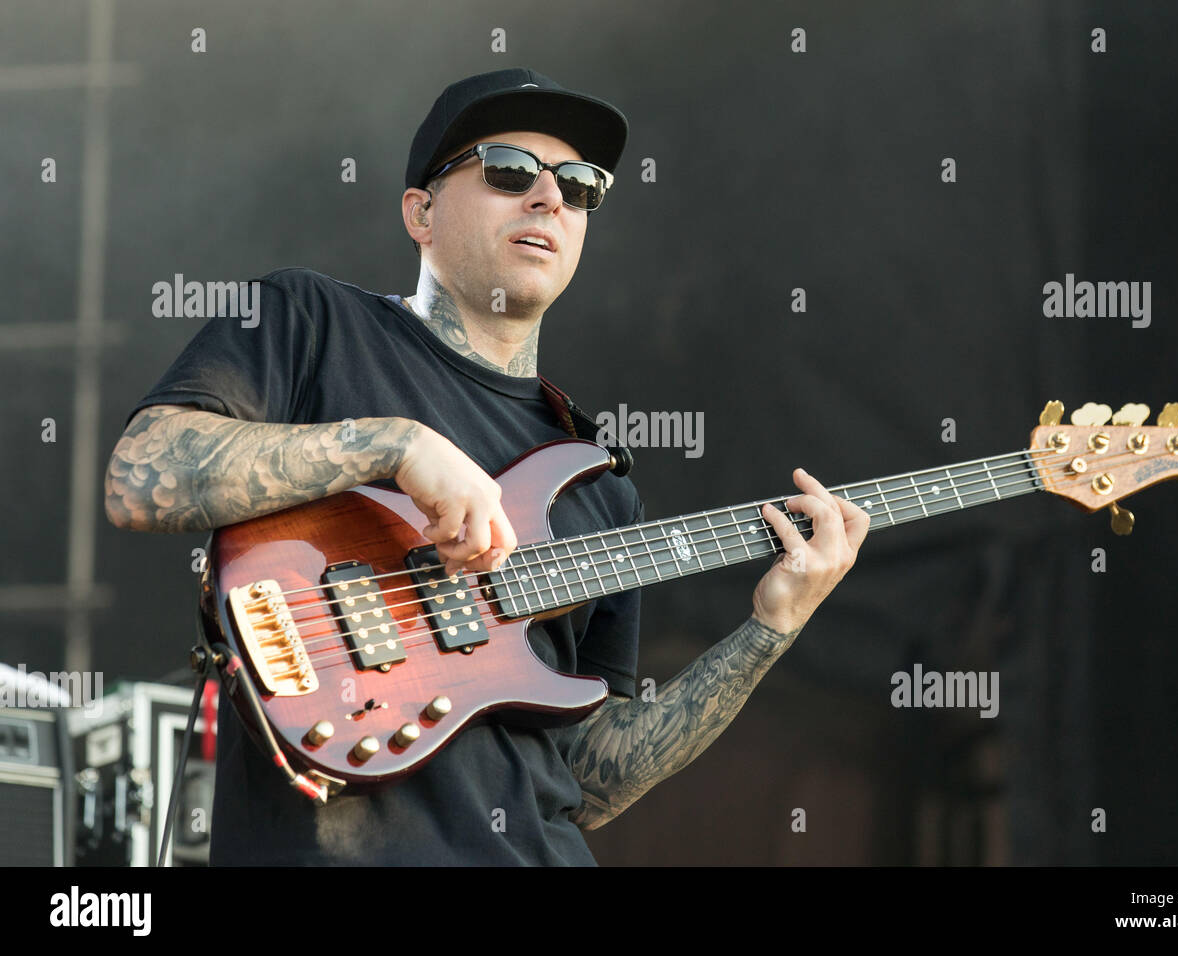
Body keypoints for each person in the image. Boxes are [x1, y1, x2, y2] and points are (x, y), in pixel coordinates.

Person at [104, 68, 869, 865]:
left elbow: (590, 780)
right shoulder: (311, 320)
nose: (549, 200)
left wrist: (770, 629)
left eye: (579, 187)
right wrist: (397, 447)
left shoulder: (600, 481)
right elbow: (140, 473)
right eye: (509, 171)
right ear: (421, 212)